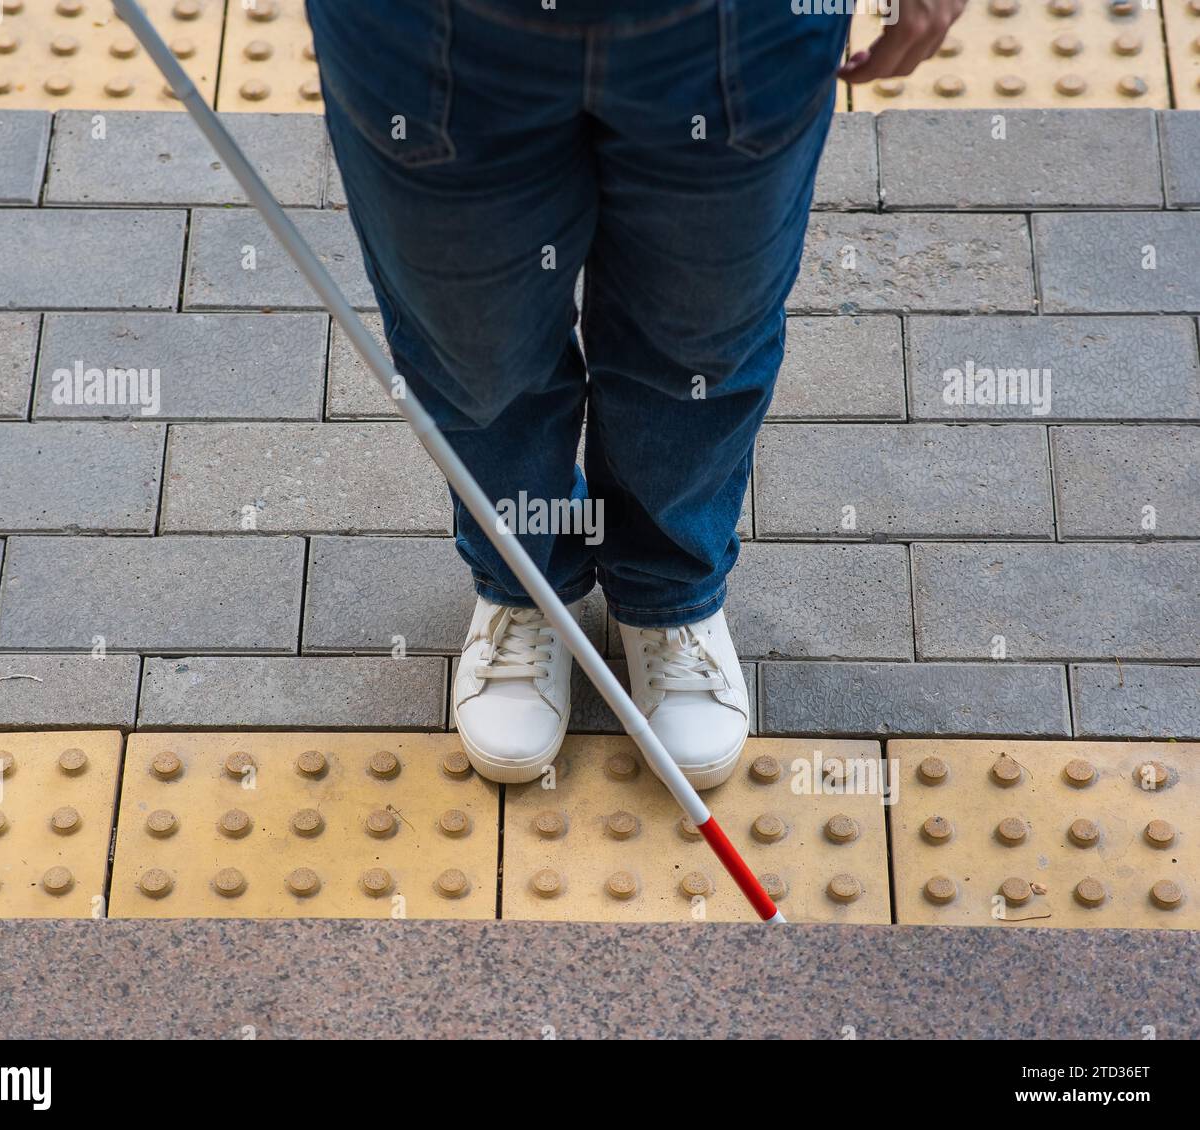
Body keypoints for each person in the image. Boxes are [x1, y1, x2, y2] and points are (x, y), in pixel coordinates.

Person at [306, 0, 966, 787]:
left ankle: (666, 590)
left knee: (700, 341)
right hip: (426, 29)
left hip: (741, 28)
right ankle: (527, 581)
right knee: (475, 348)